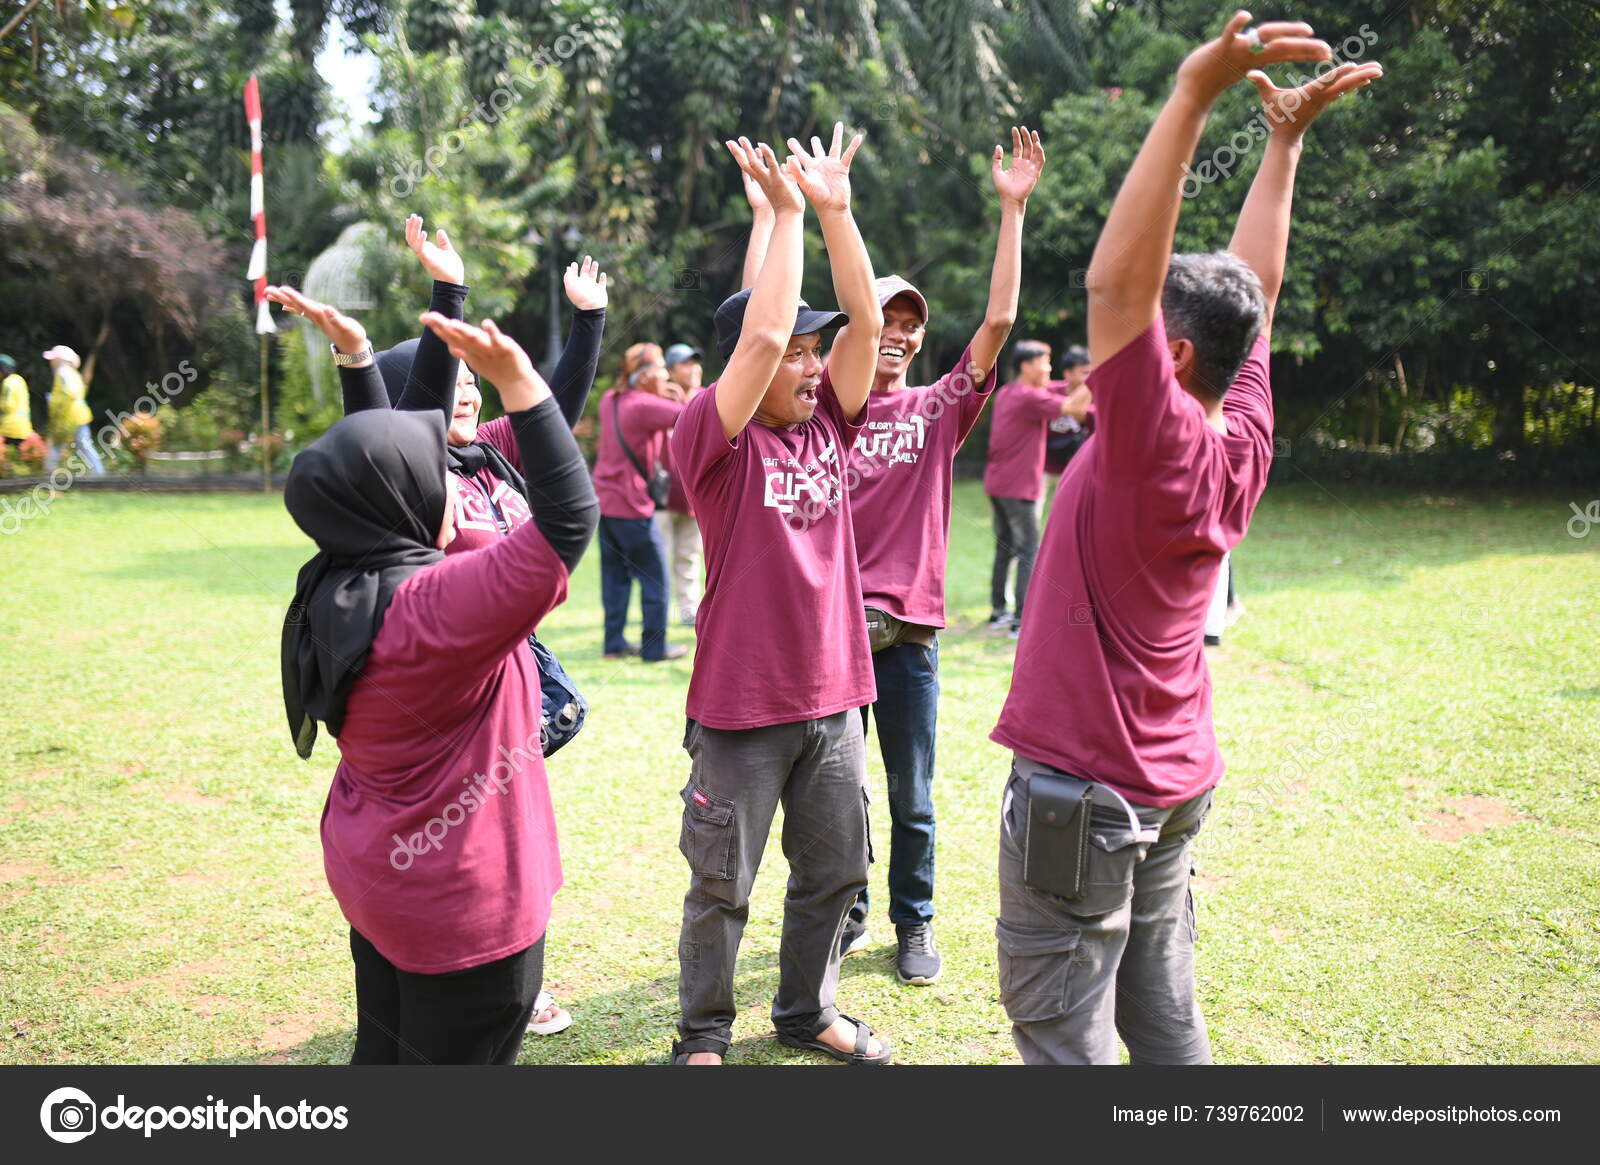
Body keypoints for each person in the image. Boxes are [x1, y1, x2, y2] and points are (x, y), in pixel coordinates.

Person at [990, 14, 1381, 1065]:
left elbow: (1114, 285)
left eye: (1148, 326)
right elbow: (1254, 292)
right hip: (1169, 781)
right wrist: (1284, 146)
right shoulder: (1235, 430)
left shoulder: (1150, 437)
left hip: (1086, 795)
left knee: (1065, 1038)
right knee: (1161, 1024)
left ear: (1172, 349)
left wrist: (1194, 93)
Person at [267, 213, 607, 1038]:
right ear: (410, 498)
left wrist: (366, 353)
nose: (445, 467)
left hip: (380, 880)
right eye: (429, 473)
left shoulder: (334, 582)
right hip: (463, 910)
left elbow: (384, 457)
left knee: (385, 1055)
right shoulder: (441, 606)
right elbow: (567, 523)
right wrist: (523, 381)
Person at [668, 126, 887, 1065]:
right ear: (746, 370)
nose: (811, 366)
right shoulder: (711, 440)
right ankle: (703, 1035)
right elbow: (759, 333)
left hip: (836, 699)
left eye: (813, 352)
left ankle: (805, 1012)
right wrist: (786, 212)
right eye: (796, 355)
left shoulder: (827, 427)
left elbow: (869, 327)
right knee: (724, 882)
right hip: (742, 706)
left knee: (835, 871)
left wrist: (834, 214)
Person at [822, 126, 1045, 985]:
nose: (900, 334)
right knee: (836, 800)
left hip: (908, 638)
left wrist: (1013, 210)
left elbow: (998, 320)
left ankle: (913, 923)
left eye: (912, 324)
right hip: (833, 636)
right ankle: (847, 912)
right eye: (886, 318)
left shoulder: (937, 410)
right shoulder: (822, 414)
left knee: (912, 795)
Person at [592, 342, 688, 662]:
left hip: (604, 504)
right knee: (656, 578)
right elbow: (694, 416)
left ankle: (614, 643)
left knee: (615, 578)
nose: (665, 374)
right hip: (632, 506)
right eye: (661, 368)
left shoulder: (610, 400)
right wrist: (678, 396)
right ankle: (654, 648)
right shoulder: (646, 406)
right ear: (644, 375)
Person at [983, 339, 1087, 633]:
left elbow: (1056, 389)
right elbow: (1073, 408)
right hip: (1019, 487)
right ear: (1027, 366)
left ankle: (998, 612)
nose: (1049, 368)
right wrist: (1099, 378)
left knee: (1005, 548)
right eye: (1045, 362)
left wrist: (1075, 382)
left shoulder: (1007, 393)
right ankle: (1022, 620)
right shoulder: (1030, 398)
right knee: (1029, 549)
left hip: (997, 484)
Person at [656, 343, 705, 626]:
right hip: (662, 494)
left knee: (689, 556)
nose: (694, 368)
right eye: (686, 364)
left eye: (695, 363)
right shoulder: (659, 400)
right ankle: (658, 615)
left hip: (693, 495)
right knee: (660, 557)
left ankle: (688, 612)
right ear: (672, 371)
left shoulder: (705, 398)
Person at [42, 345, 103, 476]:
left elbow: (69, 392)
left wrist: (52, 400)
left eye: (53, 358)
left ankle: (47, 473)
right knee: (83, 446)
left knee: (57, 445)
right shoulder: (72, 373)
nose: (51, 362)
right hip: (78, 415)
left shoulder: (62, 372)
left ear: (60, 359)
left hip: (70, 416)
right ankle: (98, 473)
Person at [1041, 344, 1093, 497]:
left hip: (1076, 465)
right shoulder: (1049, 391)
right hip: (1045, 464)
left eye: (1091, 373)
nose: (1089, 378)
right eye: (1085, 373)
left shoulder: (1095, 396)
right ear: (1068, 373)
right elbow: (1076, 409)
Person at [1, 355, 31, 449]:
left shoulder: (7, 383)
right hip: (23, 427)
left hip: (10, 428)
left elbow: (8, 405)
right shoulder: (19, 380)